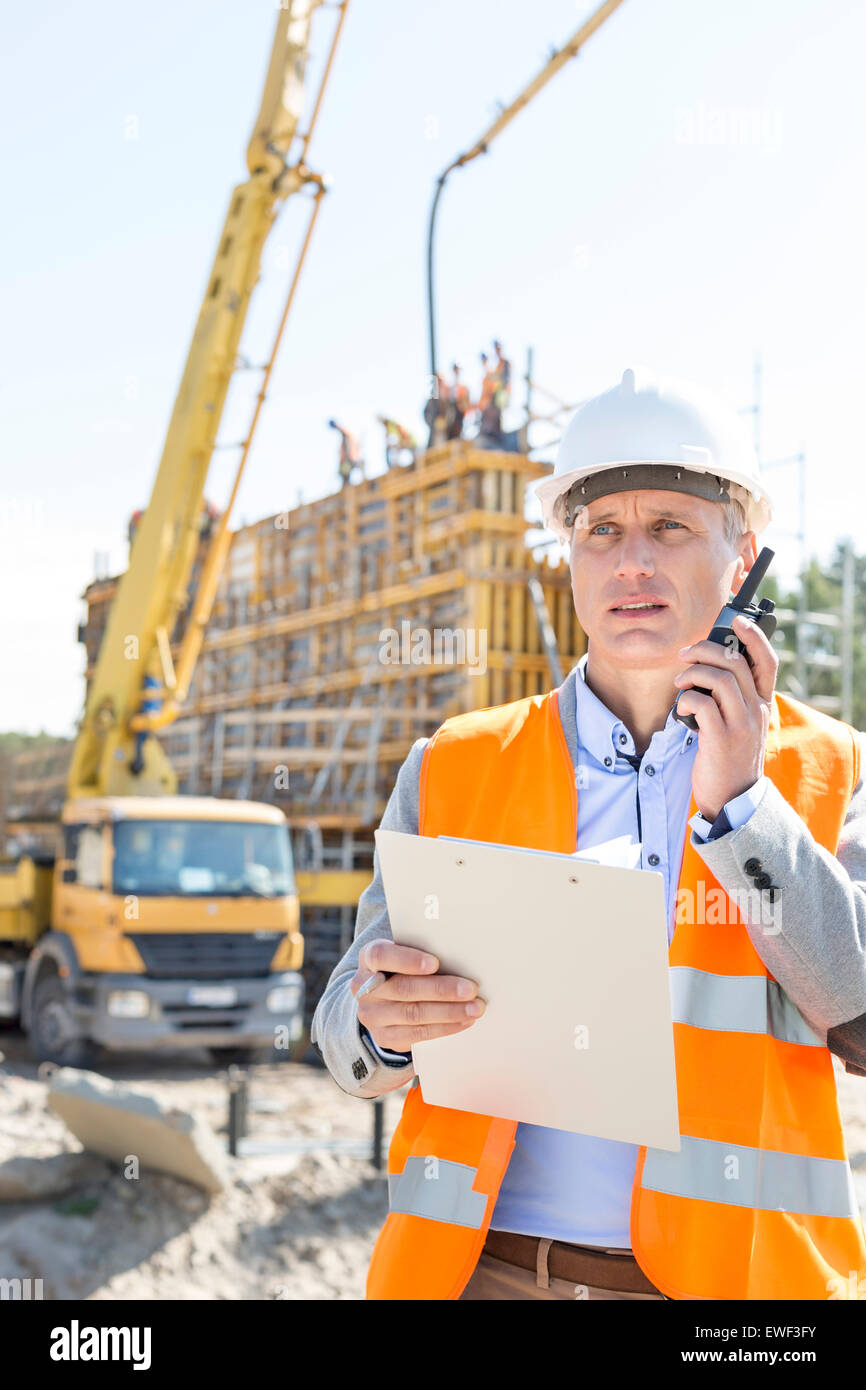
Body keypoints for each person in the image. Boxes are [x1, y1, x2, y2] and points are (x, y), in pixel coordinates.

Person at [313, 366, 866, 1301]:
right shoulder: (454, 765)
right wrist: (382, 1024)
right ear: (569, 554)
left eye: (670, 528)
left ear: (744, 559)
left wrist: (741, 809)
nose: (631, 563)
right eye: (601, 529)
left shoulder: (830, 773)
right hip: (478, 1279)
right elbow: (341, 1041)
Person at [328, 418, 363, 486]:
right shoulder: (347, 438)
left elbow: (345, 434)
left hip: (349, 459)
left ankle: (347, 485)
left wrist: (337, 426)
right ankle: (346, 485)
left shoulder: (347, 437)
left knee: (345, 472)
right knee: (344, 474)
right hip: (348, 459)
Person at [476, 349, 502, 440]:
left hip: (491, 404)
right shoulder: (486, 374)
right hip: (486, 405)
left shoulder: (491, 373)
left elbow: (495, 388)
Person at [423, 374, 450, 448]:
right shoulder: (431, 401)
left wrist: (446, 422)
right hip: (435, 435)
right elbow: (426, 414)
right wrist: (434, 423)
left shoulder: (447, 398)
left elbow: (451, 413)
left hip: (447, 434)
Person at [447, 363, 470, 440]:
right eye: (455, 369)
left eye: (457, 369)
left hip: (461, 415)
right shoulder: (450, 386)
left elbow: (467, 403)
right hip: (452, 415)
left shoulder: (463, 386)